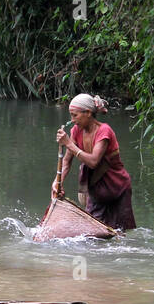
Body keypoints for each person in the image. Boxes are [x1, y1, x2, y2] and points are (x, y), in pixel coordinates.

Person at [51, 93, 137, 231]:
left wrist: (68, 143)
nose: (72, 120)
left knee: (120, 232)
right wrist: (57, 182)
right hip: (96, 191)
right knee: (92, 232)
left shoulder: (104, 131)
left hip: (117, 189)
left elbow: (93, 162)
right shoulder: (76, 131)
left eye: (75, 115)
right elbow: (66, 162)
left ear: (88, 113)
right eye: (71, 115)